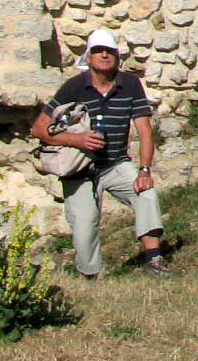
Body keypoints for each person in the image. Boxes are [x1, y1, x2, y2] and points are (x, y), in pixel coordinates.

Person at [31, 28, 168, 278]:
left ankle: (154, 259)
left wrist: (144, 170)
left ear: (117, 56)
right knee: (84, 228)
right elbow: (38, 129)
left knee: (145, 192)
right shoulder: (74, 86)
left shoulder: (129, 84)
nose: (104, 55)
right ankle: (90, 276)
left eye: (109, 51)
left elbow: (145, 130)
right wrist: (77, 139)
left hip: (115, 163)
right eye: (98, 51)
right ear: (89, 56)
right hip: (79, 170)